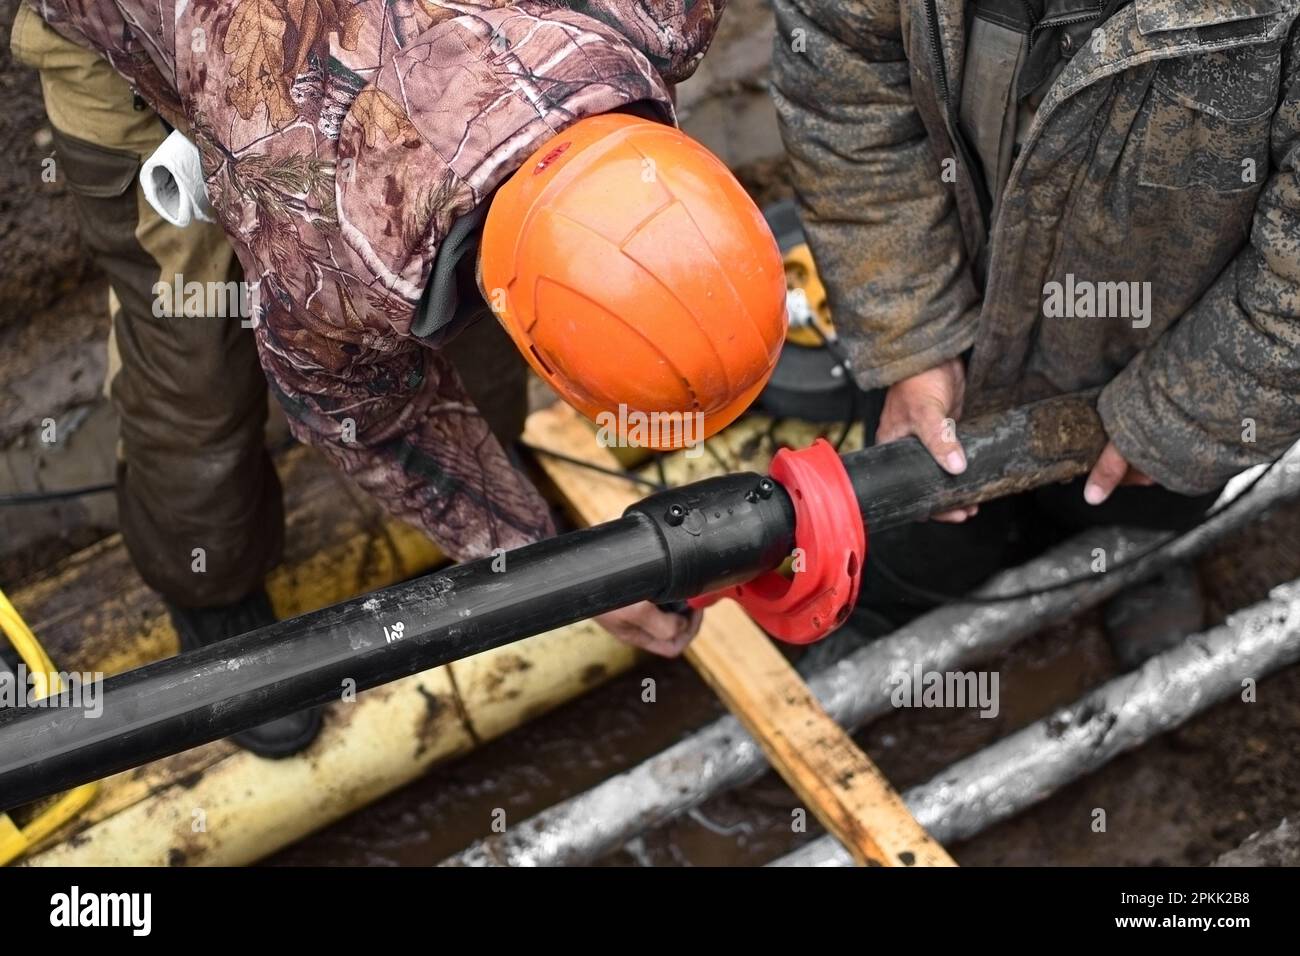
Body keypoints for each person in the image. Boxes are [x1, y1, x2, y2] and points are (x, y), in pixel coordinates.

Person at [12, 0, 787, 716]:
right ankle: (209, 582)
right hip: (158, 44)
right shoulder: (327, 249)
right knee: (194, 361)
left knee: (456, 305)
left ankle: (497, 441)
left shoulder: (661, 14)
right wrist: (547, 568)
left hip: (368, 116)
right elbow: (370, 420)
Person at [771, 0, 1300, 662]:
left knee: (1133, 499)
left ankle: (1123, 566)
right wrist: (910, 337)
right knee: (925, 531)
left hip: (1161, 361)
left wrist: (1181, 418)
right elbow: (842, 84)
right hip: (951, 319)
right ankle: (890, 606)